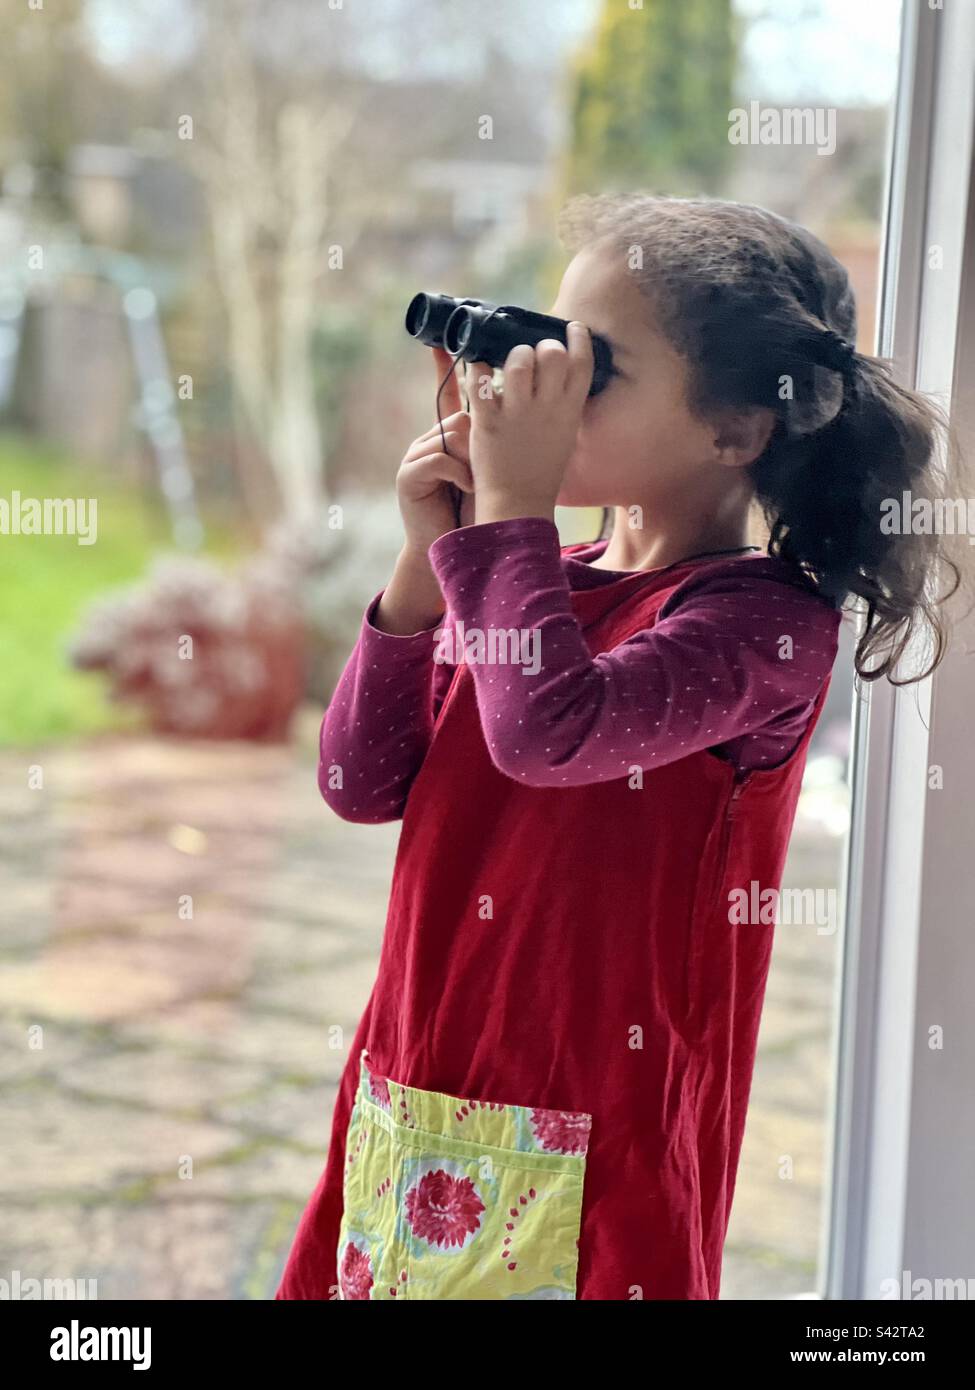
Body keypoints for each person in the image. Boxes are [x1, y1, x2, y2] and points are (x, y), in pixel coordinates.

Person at [276, 194, 961, 1301]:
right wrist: (423, 563)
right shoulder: (530, 581)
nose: (536, 386)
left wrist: (506, 517)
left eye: (588, 371)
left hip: (598, 1137)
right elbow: (359, 780)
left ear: (738, 430)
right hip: (420, 1083)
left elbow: (552, 731)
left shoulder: (763, 624)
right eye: (539, 346)